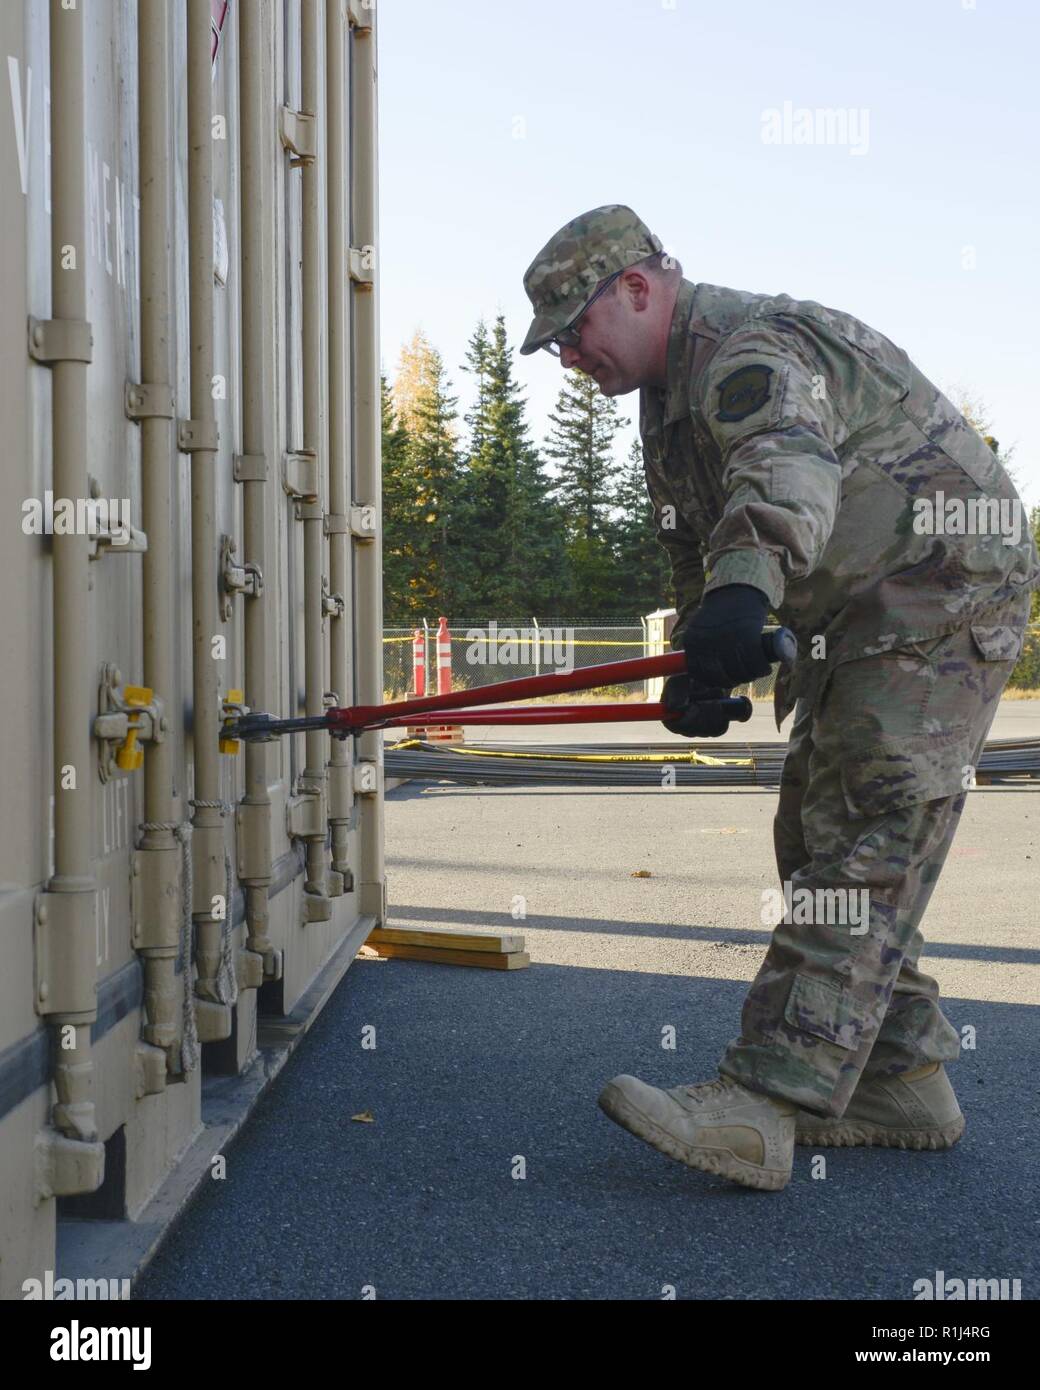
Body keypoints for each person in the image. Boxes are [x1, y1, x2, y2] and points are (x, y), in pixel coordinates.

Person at [519, 204, 1039, 1191]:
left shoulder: (744, 350)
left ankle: (761, 1106)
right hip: (854, 603)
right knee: (811, 832)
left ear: (635, 289)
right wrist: (697, 654)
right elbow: (692, 538)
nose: (565, 357)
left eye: (573, 329)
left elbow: (785, 465)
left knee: (867, 822)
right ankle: (900, 1078)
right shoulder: (664, 408)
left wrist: (748, 589)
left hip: (939, 580)